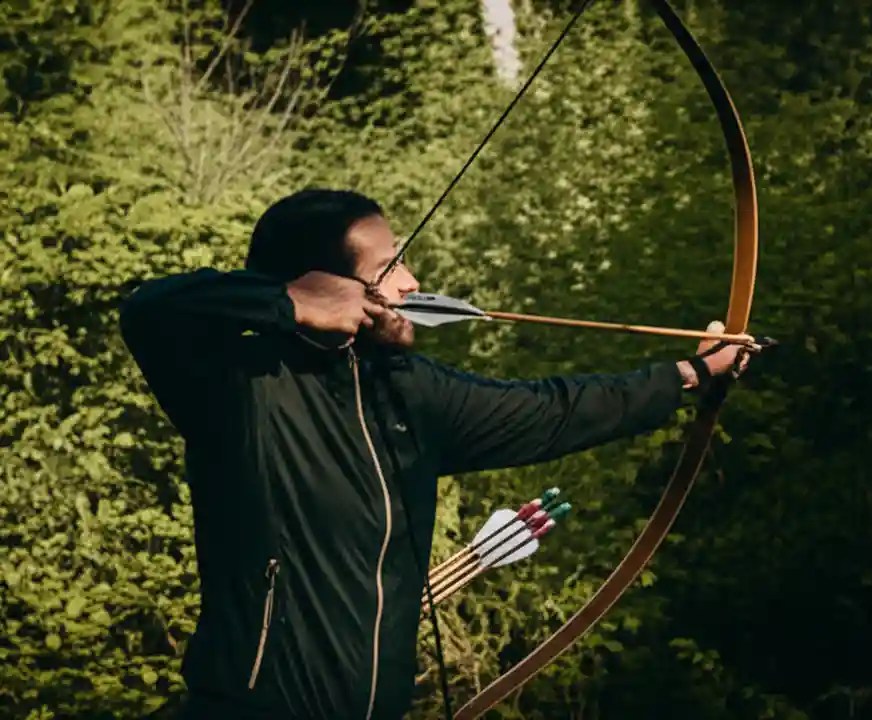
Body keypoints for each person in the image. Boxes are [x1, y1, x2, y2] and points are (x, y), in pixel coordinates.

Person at [120, 188, 749, 719]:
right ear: (330, 284)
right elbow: (149, 308)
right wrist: (289, 304)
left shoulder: (408, 393)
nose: (412, 282)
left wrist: (688, 375)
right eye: (391, 266)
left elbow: (553, 410)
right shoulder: (239, 384)